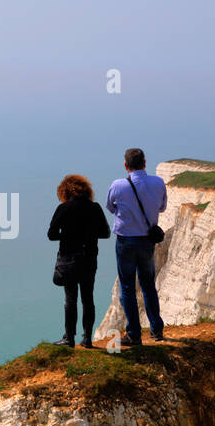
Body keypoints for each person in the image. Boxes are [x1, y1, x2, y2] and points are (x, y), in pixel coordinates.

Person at [105, 148, 168, 345]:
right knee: (148, 285)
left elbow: (110, 207)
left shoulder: (118, 185)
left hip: (126, 242)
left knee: (127, 287)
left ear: (126, 165)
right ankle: (156, 330)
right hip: (147, 241)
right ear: (144, 163)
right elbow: (162, 207)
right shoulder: (158, 182)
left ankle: (133, 334)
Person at [47, 174, 110, 348]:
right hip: (89, 257)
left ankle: (69, 338)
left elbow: (51, 235)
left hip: (69, 258)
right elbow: (105, 233)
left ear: (65, 191)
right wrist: (88, 236)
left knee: (70, 299)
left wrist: (67, 236)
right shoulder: (95, 208)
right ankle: (88, 338)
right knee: (88, 298)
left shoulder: (63, 208)